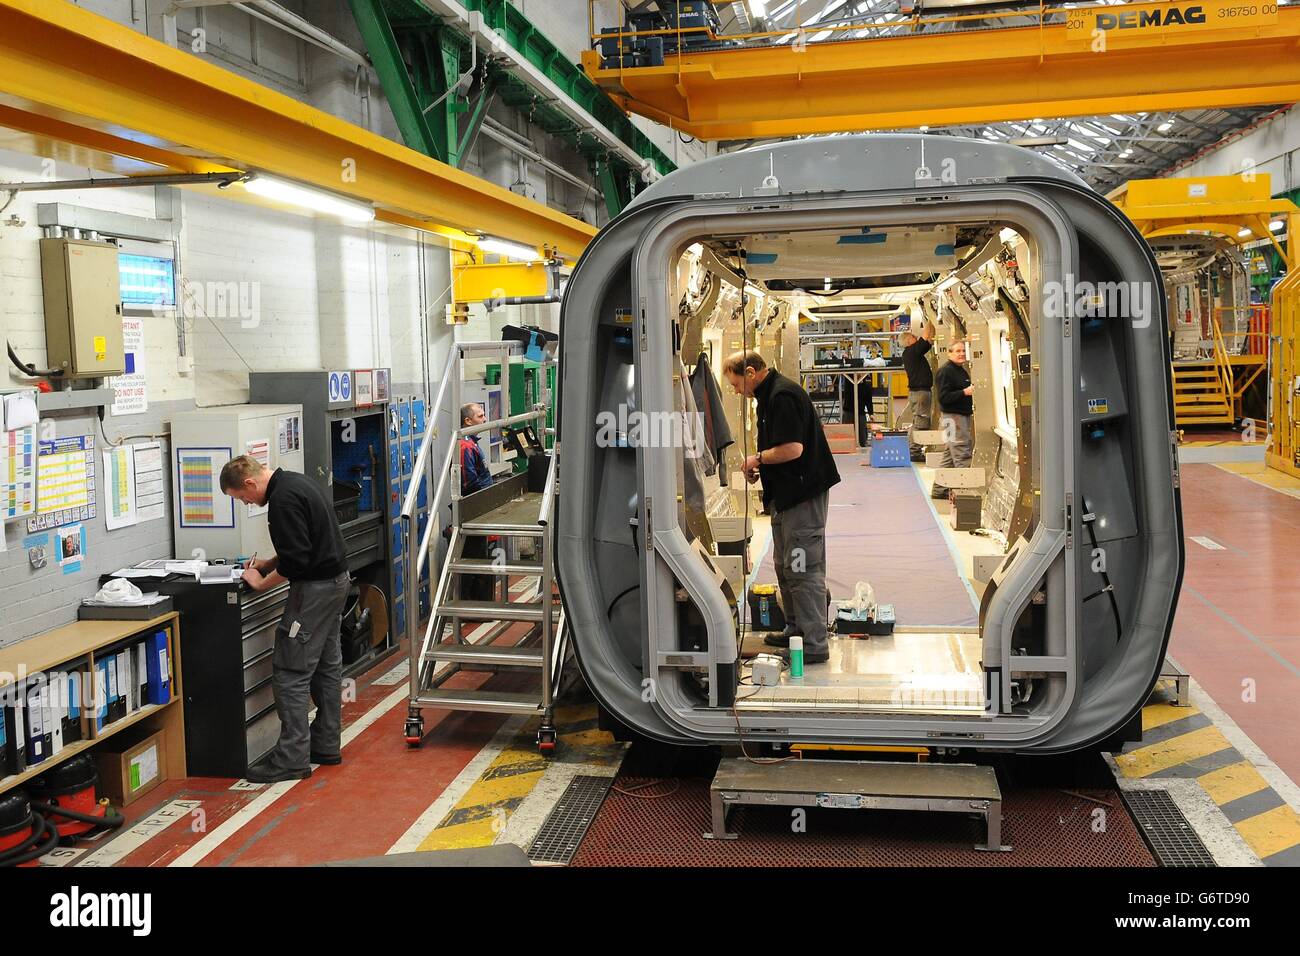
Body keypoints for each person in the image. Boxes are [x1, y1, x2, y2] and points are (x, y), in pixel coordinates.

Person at [220, 455, 349, 783]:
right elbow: (303, 543)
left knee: (291, 671)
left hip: (313, 592)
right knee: (326, 667)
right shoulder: (298, 482)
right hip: (336, 584)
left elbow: (297, 561)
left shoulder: (281, 501)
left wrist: (261, 581)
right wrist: (268, 562)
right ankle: (326, 744)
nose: (246, 502)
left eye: (241, 497)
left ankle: (292, 759)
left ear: (250, 483)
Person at [722, 350, 841, 664]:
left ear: (751, 372)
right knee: (784, 566)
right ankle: (795, 629)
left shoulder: (782, 396)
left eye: (736, 384)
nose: (737, 392)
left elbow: (792, 448)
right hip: (785, 497)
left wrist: (758, 459)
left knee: (803, 569)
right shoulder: (767, 397)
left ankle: (814, 644)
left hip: (802, 497)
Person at [457, 403, 497, 601]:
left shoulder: (472, 443)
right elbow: (469, 482)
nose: (484, 419)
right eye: (481, 416)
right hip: (472, 510)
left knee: (479, 556)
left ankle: (476, 603)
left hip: (479, 508)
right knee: (473, 558)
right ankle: (468, 604)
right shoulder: (465, 446)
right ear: (468, 421)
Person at [930, 339, 975, 501]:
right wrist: (965, 392)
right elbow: (943, 397)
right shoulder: (946, 372)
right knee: (962, 453)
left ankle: (939, 490)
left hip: (957, 417)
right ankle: (966, 494)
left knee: (949, 456)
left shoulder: (960, 370)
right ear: (949, 353)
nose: (961, 354)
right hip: (953, 418)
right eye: (958, 351)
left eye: (963, 351)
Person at [900, 318, 937, 462]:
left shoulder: (914, 352)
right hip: (920, 392)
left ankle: (914, 449)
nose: (916, 338)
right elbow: (926, 335)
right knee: (921, 422)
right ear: (909, 341)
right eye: (913, 337)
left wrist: (933, 324)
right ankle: (914, 452)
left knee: (918, 421)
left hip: (919, 392)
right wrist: (930, 318)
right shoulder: (912, 352)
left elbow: (929, 340)